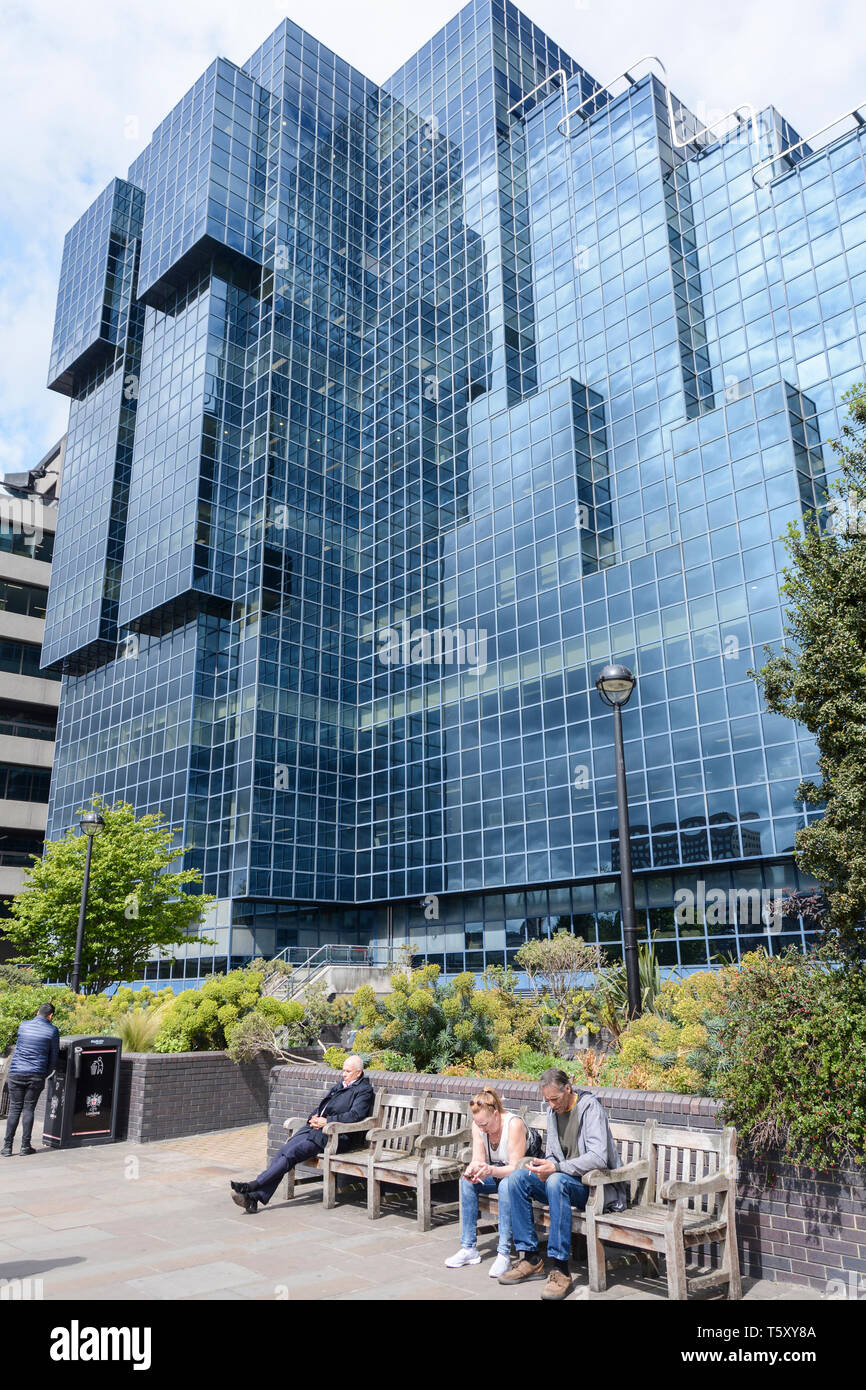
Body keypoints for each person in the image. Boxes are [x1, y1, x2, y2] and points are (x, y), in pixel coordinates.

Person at [499, 1067, 628, 1301]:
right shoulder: (553, 1112)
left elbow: (599, 1157)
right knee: (517, 1178)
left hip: (593, 1189)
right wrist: (544, 1165)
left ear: (567, 1088)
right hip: (562, 1182)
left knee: (556, 1180)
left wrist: (556, 1169)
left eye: (555, 1099)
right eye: (547, 1100)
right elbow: (553, 1155)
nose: (551, 1104)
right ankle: (530, 1258)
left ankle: (560, 1269)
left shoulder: (590, 1109)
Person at [229, 1055, 374, 1213]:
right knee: (284, 1151)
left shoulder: (363, 1090)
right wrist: (313, 1117)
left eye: (348, 1071)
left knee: (292, 1153)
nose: (343, 1074)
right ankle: (254, 1197)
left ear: (358, 1073)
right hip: (316, 1129)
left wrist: (327, 1121)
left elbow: (355, 1116)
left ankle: (252, 1186)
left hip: (335, 1136)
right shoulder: (341, 1085)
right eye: (343, 1070)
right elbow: (323, 1106)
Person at [444, 1085, 527, 1279]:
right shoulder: (478, 1126)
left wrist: (490, 1170)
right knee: (466, 1182)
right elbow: (478, 1159)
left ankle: (504, 1253)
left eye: (485, 1125)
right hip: (497, 1172)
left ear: (496, 1114)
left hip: (522, 1178)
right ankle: (468, 1248)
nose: (482, 1129)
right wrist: (473, 1169)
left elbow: (516, 1167)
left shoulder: (513, 1124)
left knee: (506, 1184)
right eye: (478, 1125)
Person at [2, 1002, 60, 1157]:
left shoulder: (23, 1025)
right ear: (51, 1016)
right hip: (35, 1074)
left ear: (37, 1012)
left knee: (15, 1109)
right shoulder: (52, 1030)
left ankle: (7, 1147)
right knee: (28, 1109)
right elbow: (53, 1058)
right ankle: (24, 1146)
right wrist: (44, 1074)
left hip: (16, 1073)